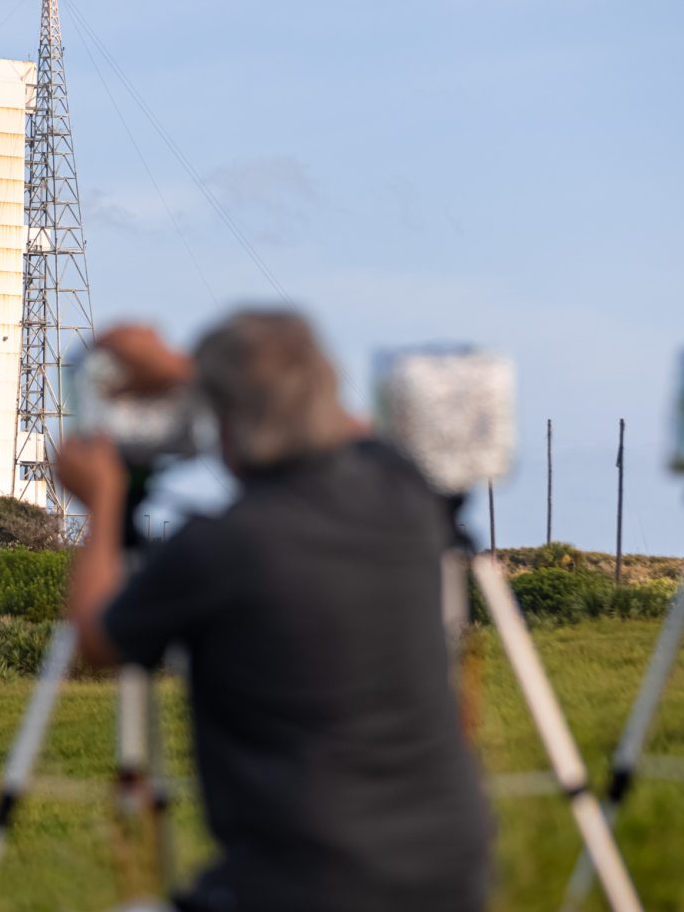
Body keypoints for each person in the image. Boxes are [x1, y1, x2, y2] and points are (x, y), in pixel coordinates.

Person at [56, 311, 491, 912]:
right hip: (450, 874)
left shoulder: (221, 547)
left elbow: (97, 641)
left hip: (297, 889)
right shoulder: (404, 495)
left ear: (225, 427)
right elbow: (358, 432)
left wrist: (103, 500)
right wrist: (211, 377)